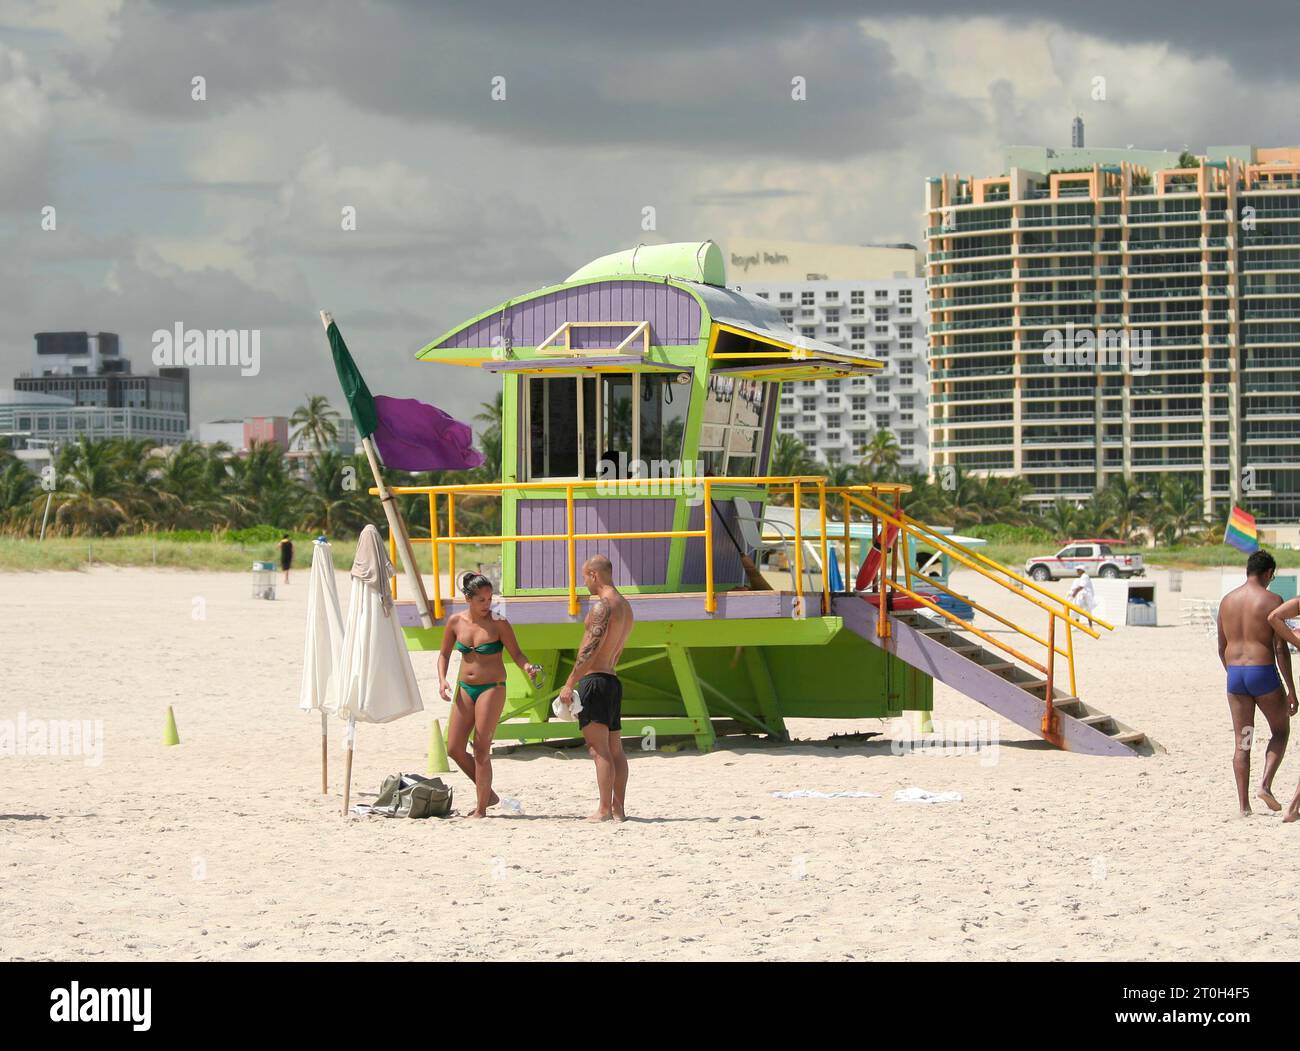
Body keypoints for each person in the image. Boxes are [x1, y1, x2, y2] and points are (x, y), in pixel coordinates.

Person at [438, 571, 542, 818]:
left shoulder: (499, 623)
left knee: (481, 749)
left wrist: (527, 667)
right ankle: (489, 794)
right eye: (482, 600)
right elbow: (443, 654)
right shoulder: (455, 622)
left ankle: (481, 808)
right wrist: (442, 680)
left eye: (489, 598)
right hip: (465, 687)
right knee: (453, 748)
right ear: (468, 599)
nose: (487, 604)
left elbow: (517, 654)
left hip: (492, 688)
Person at [1217, 550, 1298, 816]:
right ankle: (1265, 785)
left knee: (1243, 741)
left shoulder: (1226, 601)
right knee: (1280, 731)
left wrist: (1234, 674)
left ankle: (1243, 807)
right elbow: (1280, 648)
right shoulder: (1272, 600)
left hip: (1235, 677)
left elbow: (1222, 647)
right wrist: (1291, 690)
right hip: (1262, 672)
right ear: (1267, 574)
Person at [559, 554, 634, 822]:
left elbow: (590, 649)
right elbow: (618, 647)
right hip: (612, 679)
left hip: (595, 680)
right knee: (615, 749)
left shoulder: (603, 606)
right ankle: (618, 809)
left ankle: (603, 809)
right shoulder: (625, 606)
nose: (584, 583)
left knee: (598, 749)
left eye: (584, 577)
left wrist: (570, 682)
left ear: (594, 575)